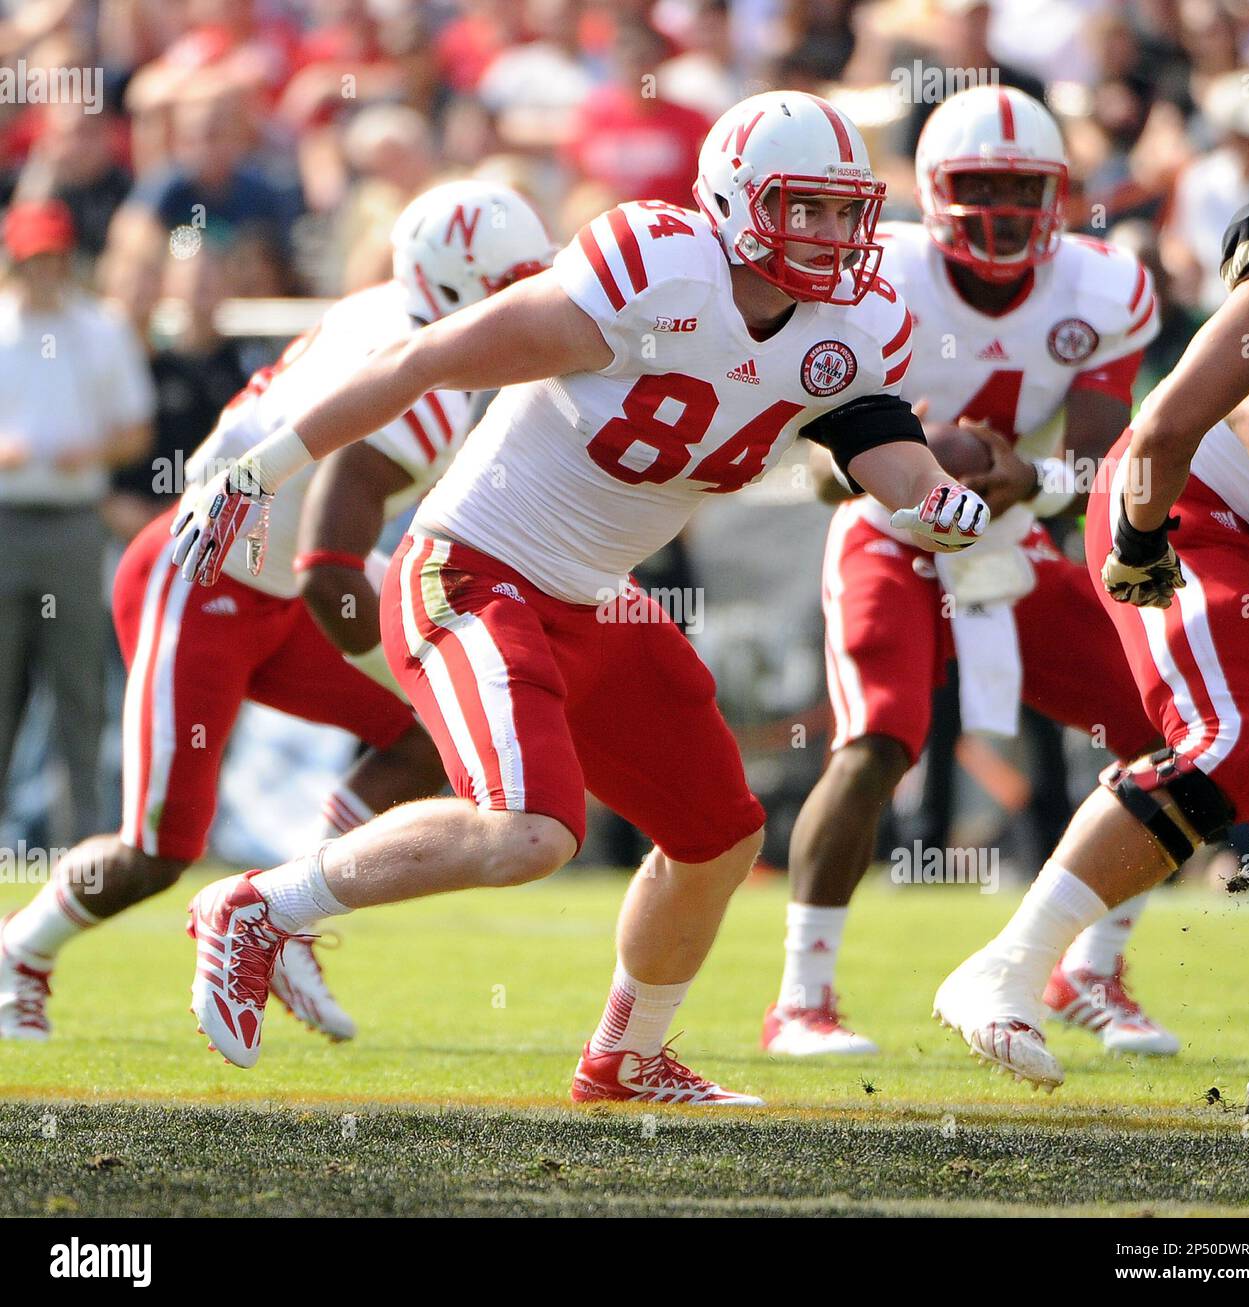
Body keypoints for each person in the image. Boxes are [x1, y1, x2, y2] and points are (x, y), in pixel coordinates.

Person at [171, 90, 990, 1103]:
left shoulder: (853, 322)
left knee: (719, 835)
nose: (827, 236)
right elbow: (424, 357)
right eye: (800, 207)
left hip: (597, 597)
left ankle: (625, 1056)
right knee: (527, 831)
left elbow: (872, 435)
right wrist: (261, 471)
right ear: (734, 202)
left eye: (840, 211)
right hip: (471, 568)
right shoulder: (652, 271)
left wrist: (934, 494)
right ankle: (260, 904)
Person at [0, 180, 552, 1045]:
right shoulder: (421, 376)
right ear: (456, 286)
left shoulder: (398, 319)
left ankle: (282, 910)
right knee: (157, 849)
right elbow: (332, 552)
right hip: (205, 577)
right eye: (513, 284)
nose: (529, 304)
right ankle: (19, 953)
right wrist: (397, 646)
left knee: (429, 728)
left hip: (279, 581)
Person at [761, 86, 1172, 1060]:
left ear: (1059, 193)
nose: (1000, 205)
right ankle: (802, 997)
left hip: (1005, 534)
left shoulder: (1103, 286)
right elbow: (823, 473)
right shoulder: (878, 274)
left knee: (1168, 731)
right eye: (977, 183)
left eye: (1019, 186)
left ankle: (1091, 967)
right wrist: (913, 453)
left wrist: (1031, 474)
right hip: (891, 527)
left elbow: (1102, 477)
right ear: (933, 191)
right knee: (875, 741)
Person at [930, 169, 1249, 1097]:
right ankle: (1012, 966)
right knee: (1239, 744)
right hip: (1194, 513)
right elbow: (1209, 418)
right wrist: (1140, 538)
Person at [0, 199, 154, 846]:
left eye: (53, 258)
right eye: (33, 259)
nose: (44, 271)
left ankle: (83, 838)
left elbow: (135, 432)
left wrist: (86, 453)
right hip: (7, 519)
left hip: (72, 520)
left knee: (78, 685)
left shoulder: (102, 329)